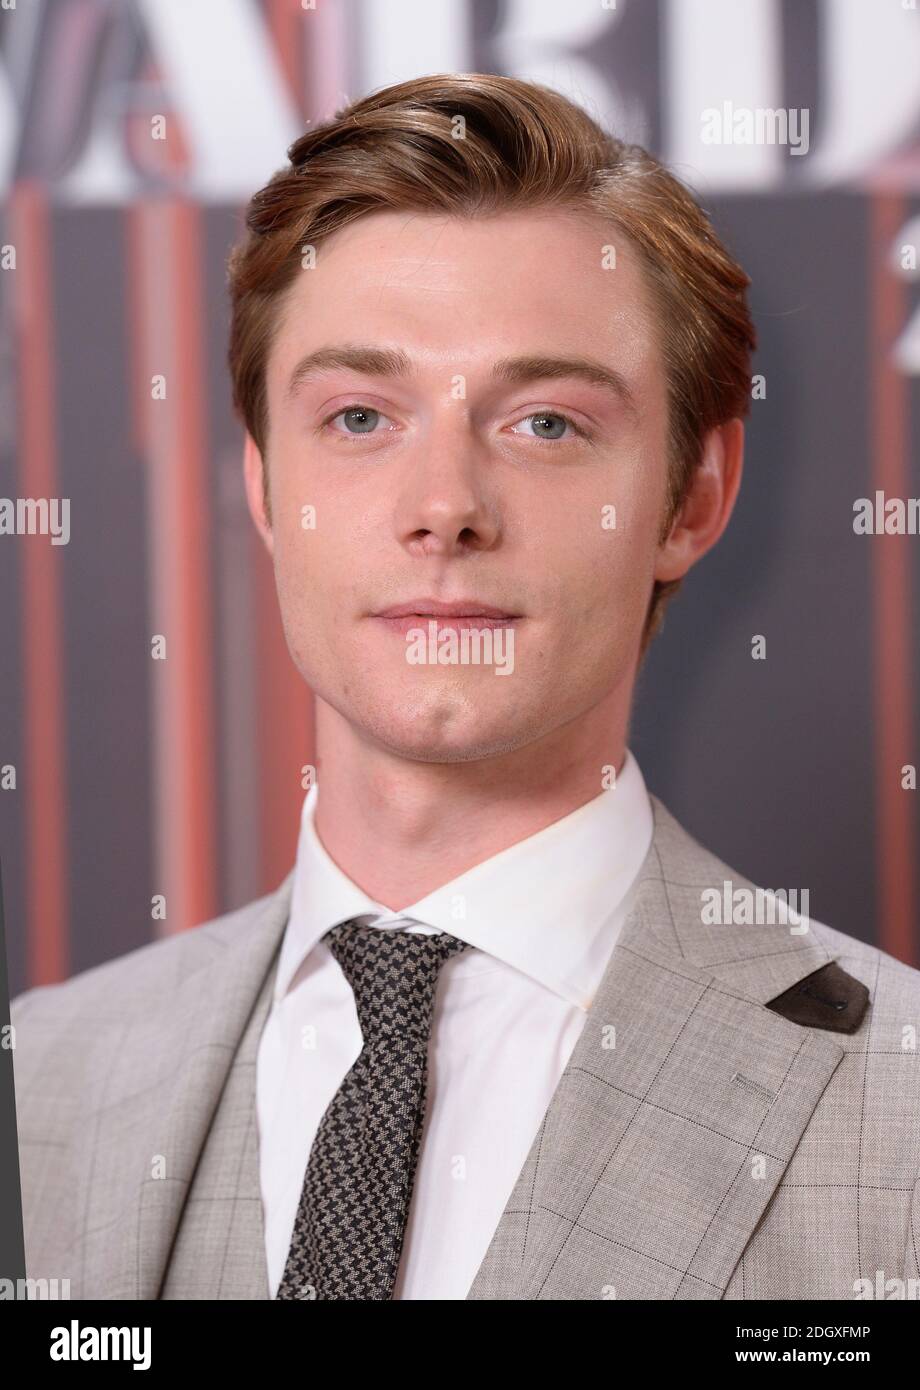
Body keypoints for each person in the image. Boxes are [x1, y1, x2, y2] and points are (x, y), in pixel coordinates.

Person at [11, 72, 920, 1302]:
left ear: (691, 497)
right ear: (266, 485)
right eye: (358, 417)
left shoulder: (897, 1107)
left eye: (544, 423)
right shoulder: (43, 1080)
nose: (443, 507)